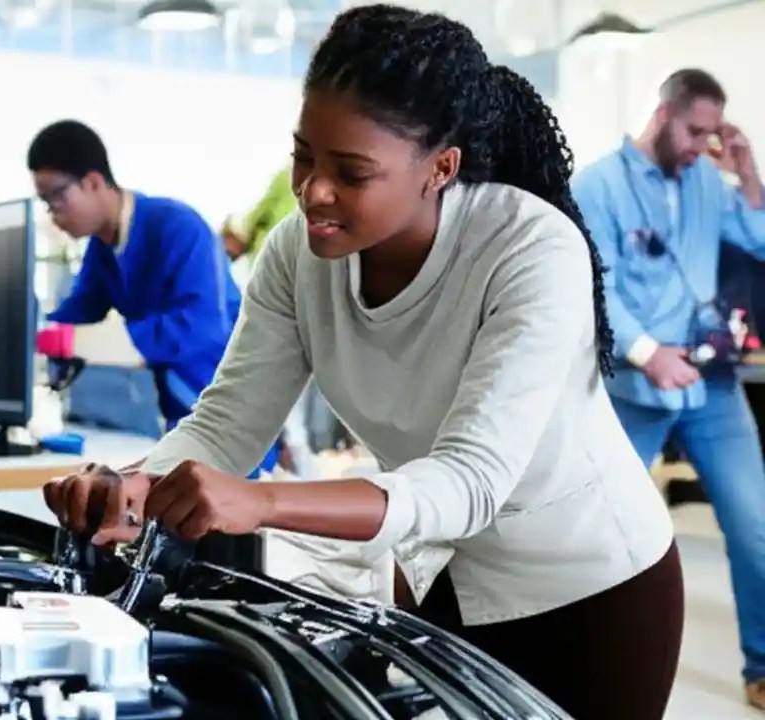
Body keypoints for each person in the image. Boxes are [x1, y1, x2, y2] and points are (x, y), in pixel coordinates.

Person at [42, 5, 682, 718]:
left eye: (351, 172)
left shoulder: (530, 248)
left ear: (441, 167)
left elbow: (469, 483)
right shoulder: (295, 256)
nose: (314, 191)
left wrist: (263, 501)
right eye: (304, 157)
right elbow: (225, 427)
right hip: (439, 574)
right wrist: (131, 487)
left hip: (588, 589)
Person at [572, 68, 765, 709]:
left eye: (713, 134)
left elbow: (760, 238)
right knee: (596, 532)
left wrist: (747, 171)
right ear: (663, 113)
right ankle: (583, 663)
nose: (700, 145)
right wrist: (649, 354)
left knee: (757, 527)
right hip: (635, 388)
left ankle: (761, 668)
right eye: (694, 131)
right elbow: (593, 284)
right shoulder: (597, 185)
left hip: (711, 388)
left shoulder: (710, 180)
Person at [28, 120, 277, 477]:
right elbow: (81, 311)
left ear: (93, 182)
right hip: (181, 418)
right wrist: (36, 335)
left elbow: (201, 328)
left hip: (230, 414)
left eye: (56, 197)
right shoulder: (103, 247)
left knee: (230, 515)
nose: (53, 212)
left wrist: (73, 342)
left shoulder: (177, 225)